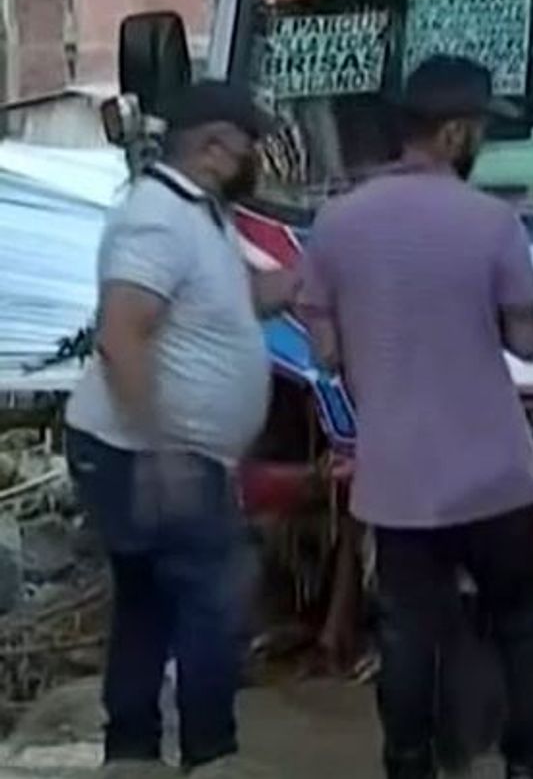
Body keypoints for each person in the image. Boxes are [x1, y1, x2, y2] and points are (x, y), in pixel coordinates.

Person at [297, 55, 533, 779]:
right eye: (476, 131)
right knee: (524, 625)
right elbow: (528, 344)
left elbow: (322, 348)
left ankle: (409, 763)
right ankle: (528, 763)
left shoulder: (337, 222)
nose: (478, 144)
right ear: (451, 135)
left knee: (410, 634)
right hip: (492, 478)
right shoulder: (493, 221)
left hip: (398, 481)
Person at [62, 82, 296, 778]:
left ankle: (132, 753)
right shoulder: (158, 219)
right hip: (153, 451)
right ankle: (209, 754)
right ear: (214, 147)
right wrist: (160, 447)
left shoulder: (200, 215)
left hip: (158, 451)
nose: (258, 159)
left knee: (149, 603)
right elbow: (121, 335)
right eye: (250, 146)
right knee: (210, 602)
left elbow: (229, 300)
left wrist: (309, 277)